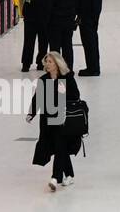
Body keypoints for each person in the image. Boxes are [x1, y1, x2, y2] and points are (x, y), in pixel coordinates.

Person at [27, 51, 81, 192]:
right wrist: (31, 114)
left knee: (60, 145)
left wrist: (63, 92)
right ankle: (69, 174)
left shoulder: (67, 77)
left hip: (63, 119)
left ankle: (55, 178)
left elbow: (75, 96)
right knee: (59, 147)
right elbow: (37, 98)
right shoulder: (44, 79)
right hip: (48, 120)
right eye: (46, 61)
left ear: (57, 63)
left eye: (50, 61)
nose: (47, 64)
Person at [17, 0, 52, 72]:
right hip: (31, 16)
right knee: (29, 41)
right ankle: (26, 64)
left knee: (44, 42)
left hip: (46, 16)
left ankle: (41, 63)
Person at [44, 0, 78, 73]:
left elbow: (48, 6)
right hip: (68, 22)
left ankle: (55, 70)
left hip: (55, 23)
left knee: (55, 48)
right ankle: (68, 69)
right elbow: (76, 4)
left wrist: (46, 22)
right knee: (68, 46)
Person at [75, 0, 103, 76]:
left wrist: (79, 14)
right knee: (93, 39)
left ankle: (92, 68)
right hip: (95, 11)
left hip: (87, 13)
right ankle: (95, 66)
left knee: (88, 41)